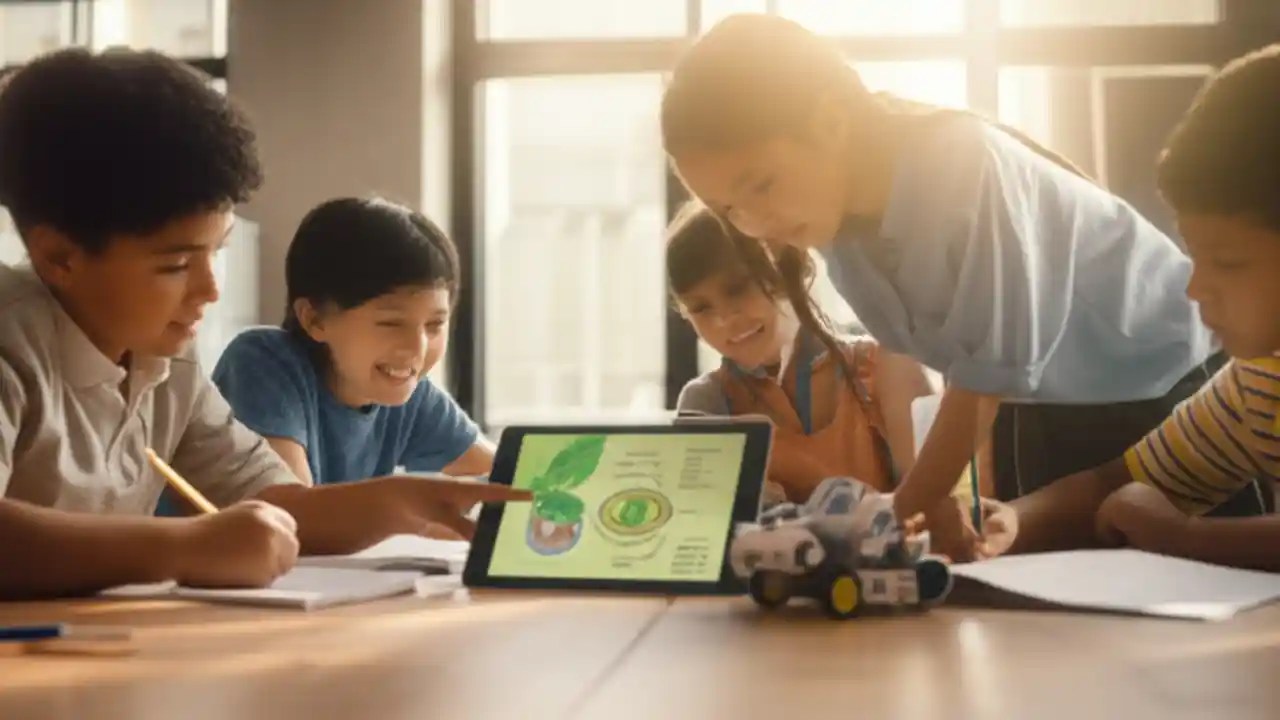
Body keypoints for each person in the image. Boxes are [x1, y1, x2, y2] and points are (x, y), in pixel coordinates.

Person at [659, 14, 1250, 557]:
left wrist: (909, 503)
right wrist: (934, 497)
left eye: (762, 184)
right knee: (1039, 599)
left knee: (1183, 589)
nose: (755, 223)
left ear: (832, 120)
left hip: (1168, 392)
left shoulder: (957, 162)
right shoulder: (841, 232)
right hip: (1038, 405)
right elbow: (961, 381)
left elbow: (986, 370)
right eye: (730, 210)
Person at [0, 48, 525, 599]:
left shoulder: (165, 359)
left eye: (216, 253)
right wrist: (184, 547)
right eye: (176, 264)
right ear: (60, 257)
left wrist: (402, 501)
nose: (210, 289)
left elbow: (276, 501)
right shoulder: (13, 340)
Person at [212, 197, 492, 488]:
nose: (417, 348)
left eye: (435, 325)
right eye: (391, 323)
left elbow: (515, 480)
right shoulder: (262, 363)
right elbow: (291, 512)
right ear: (315, 319)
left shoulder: (411, 395)